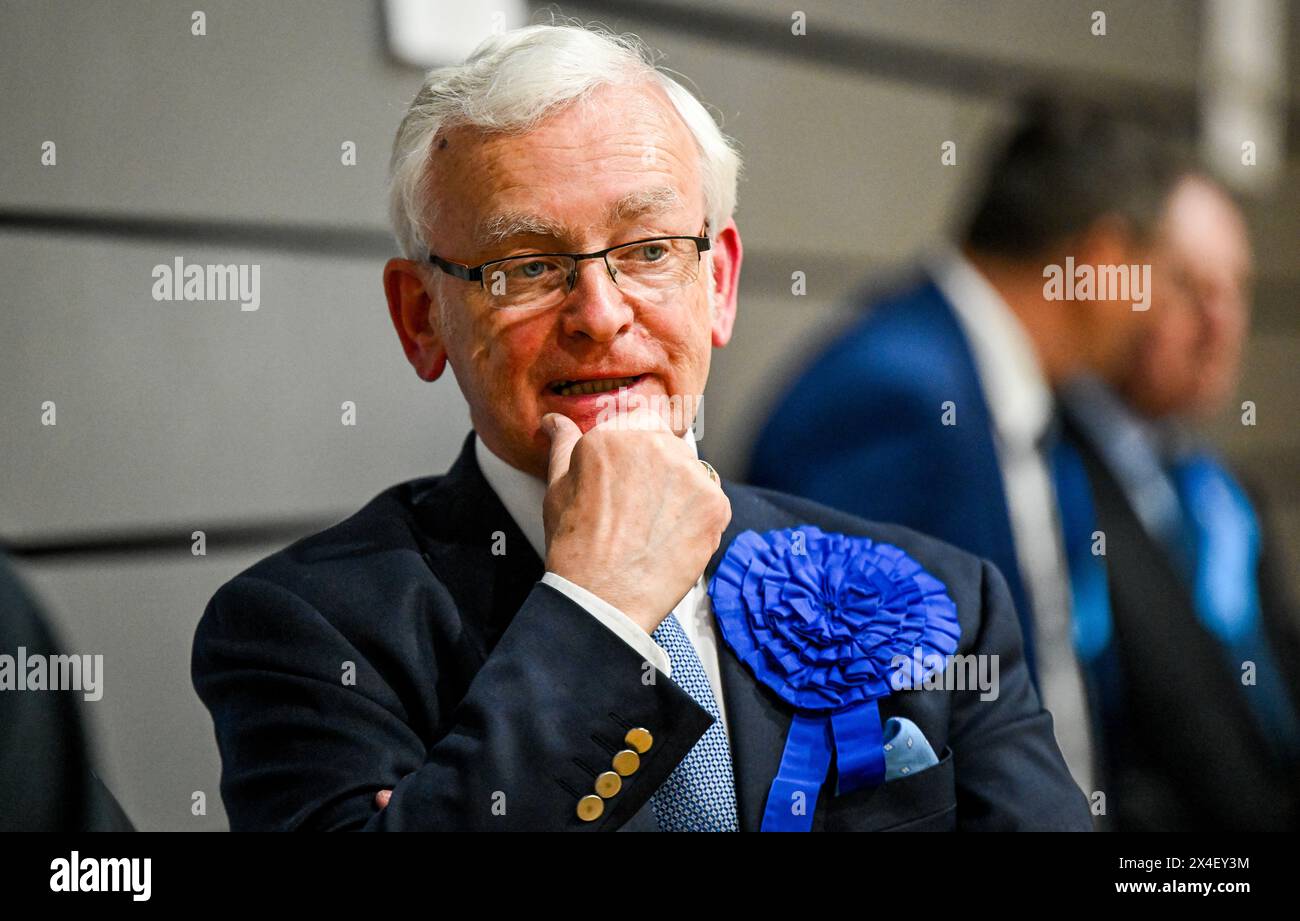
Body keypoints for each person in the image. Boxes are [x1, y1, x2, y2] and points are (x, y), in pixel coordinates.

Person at [191, 23, 1089, 832]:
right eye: (528, 266)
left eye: (650, 250)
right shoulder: (306, 633)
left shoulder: (938, 601)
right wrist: (598, 612)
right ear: (422, 317)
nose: (600, 313)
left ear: (722, 283)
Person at [748, 98, 1180, 802]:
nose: (1158, 313)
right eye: (1158, 276)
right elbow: (843, 727)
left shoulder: (1032, 398)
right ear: (1104, 261)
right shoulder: (893, 397)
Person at [1058, 173, 1300, 829]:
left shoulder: (1223, 493)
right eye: (1190, 285)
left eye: (1236, 288)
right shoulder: (1049, 477)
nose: (1219, 320)